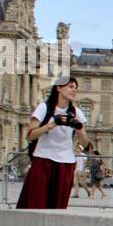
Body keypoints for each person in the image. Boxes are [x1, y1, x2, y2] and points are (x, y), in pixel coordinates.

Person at [16, 74, 89, 209]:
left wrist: (81, 131)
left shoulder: (77, 112)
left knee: (58, 207)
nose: (74, 90)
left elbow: (85, 144)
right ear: (59, 88)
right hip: (43, 160)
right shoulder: (44, 108)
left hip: (66, 163)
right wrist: (53, 124)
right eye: (71, 87)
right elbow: (30, 136)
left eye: (76, 88)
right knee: (36, 203)